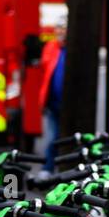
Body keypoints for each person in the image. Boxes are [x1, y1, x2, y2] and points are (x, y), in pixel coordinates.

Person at [38, 18, 67, 171]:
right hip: (53, 103)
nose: (60, 32)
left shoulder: (72, 48)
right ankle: (48, 169)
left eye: (63, 28)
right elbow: (45, 70)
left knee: (67, 137)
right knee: (52, 138)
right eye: (58, 28)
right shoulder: (51, 47)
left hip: (69, 104)